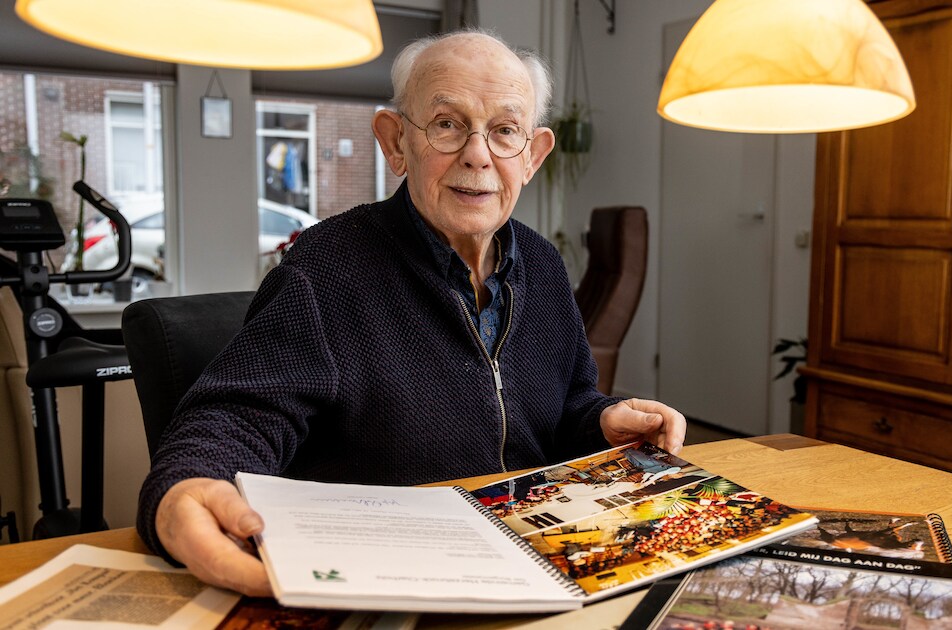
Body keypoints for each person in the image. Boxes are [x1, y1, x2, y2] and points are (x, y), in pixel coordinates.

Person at [137, 29, 686, 596]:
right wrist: (186, 486)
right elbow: (239, 415)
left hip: (532, 558)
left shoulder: (543, 264)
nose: (478, 154)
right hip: (390, 571)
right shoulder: (325, 267)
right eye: (448, 124)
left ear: (532, 155)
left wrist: (600, 418)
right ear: (396, 142)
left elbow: (566, 400)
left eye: (504, 131)